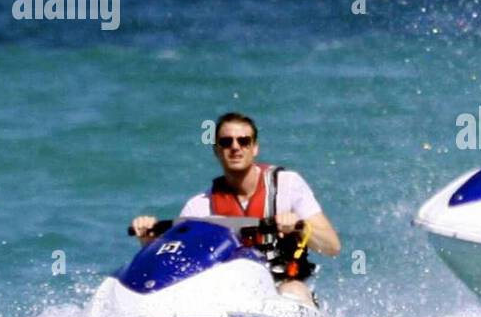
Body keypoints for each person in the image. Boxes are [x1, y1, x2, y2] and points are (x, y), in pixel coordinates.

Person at [129, 112, 341, 305]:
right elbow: (177, 266)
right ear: (216, 150)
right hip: (228, 293)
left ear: (254, 148)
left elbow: (332, 247)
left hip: (280, 287)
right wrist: (148, 241)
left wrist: (299, 228)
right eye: (226, 141)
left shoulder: (288, 185)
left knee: (293, 290)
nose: (235, 147)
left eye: (244, 141)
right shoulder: (199, 207)